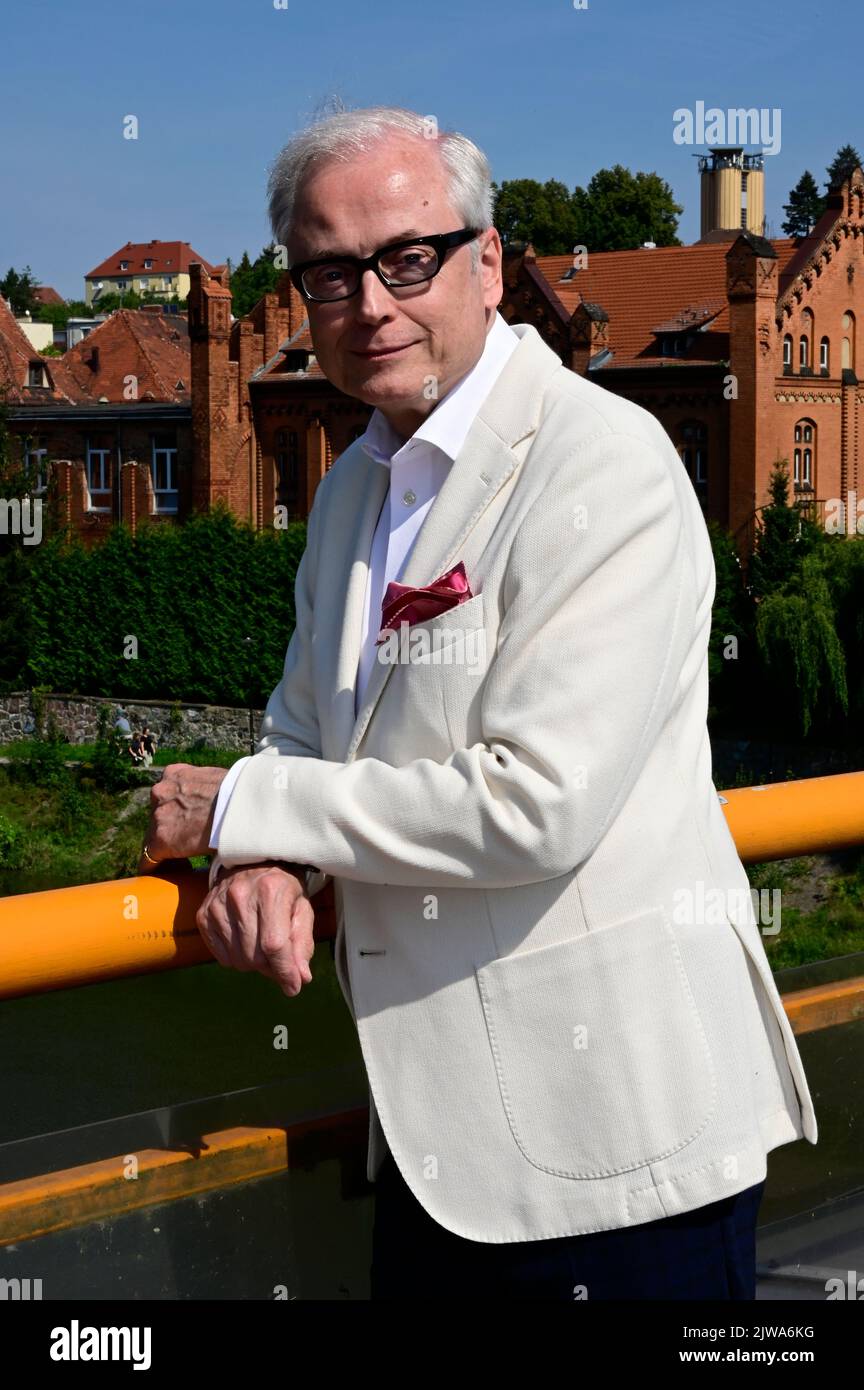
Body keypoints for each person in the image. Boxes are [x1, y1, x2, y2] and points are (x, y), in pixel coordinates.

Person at [138, 106, 817, 1300]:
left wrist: (244, 805)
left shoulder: (602, 463)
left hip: (614, 1148)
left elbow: (534, 803)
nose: (372, 304)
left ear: (488, 262)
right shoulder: (354, 490)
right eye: (331, 273)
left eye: (409, 258)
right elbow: (309, 731)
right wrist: (270, 867)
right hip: (436, 1139)